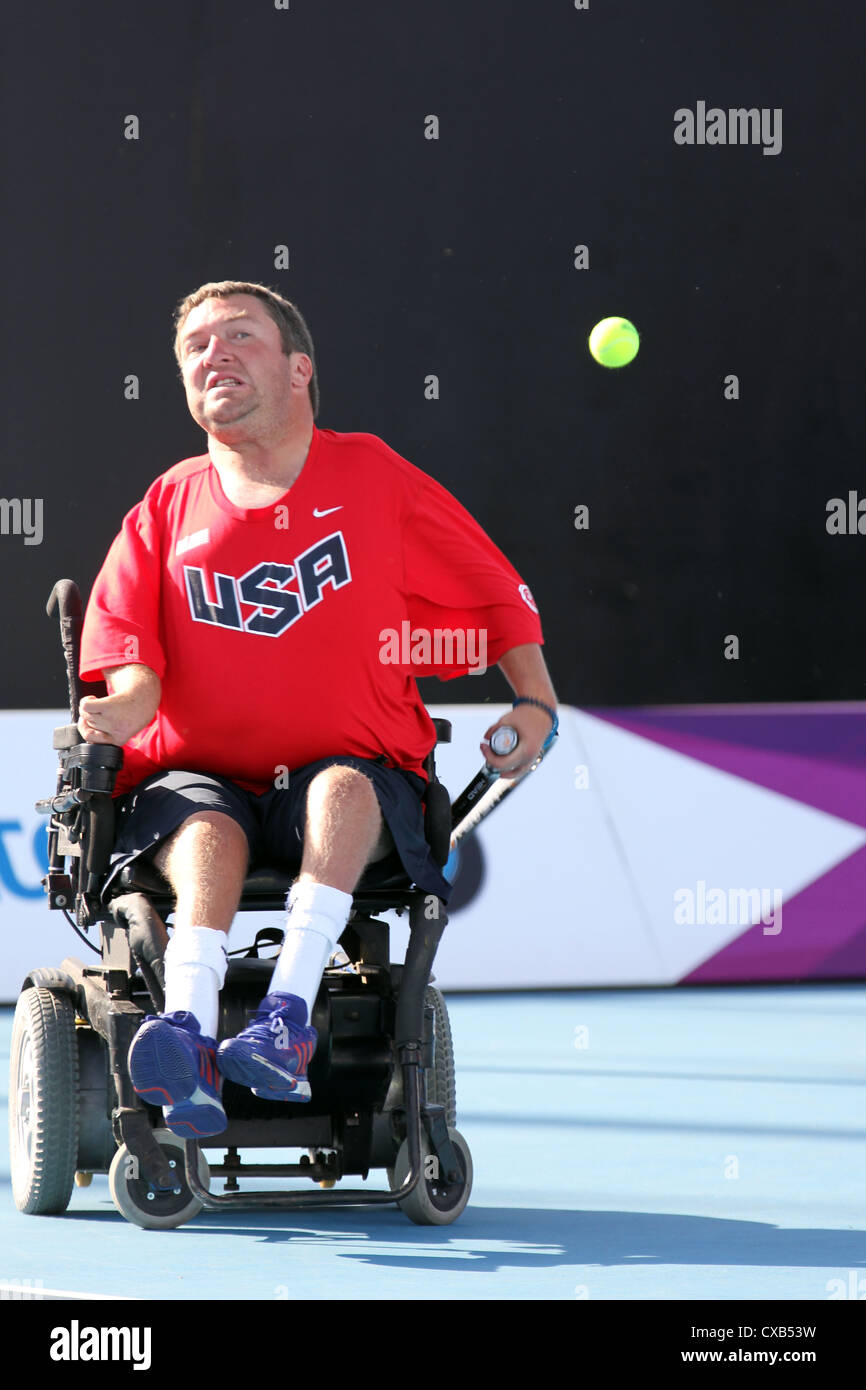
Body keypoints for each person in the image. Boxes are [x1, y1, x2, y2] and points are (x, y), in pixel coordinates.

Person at [78, 279, 558, 1138]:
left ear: (300, 368)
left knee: (343, 787)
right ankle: (184, 1031)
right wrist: (122, 707)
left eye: (239, 337)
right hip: (198, 779)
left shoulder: (372, 474)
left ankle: (284, 1020)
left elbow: (491, 588)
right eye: (194, 347)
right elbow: (129, 660)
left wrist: (535, 699)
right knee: (205, 825)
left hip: (351, 773)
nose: (211, 355)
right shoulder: (166, 503)